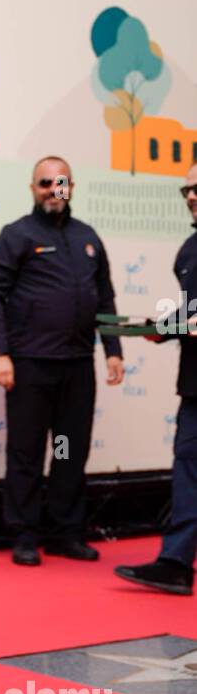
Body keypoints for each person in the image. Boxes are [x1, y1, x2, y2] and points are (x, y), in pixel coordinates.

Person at [0, 155, 124, 566]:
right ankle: (24, 533)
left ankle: (65, 531)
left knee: (66, 451)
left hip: (77, 367)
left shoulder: (87, 238)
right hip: (30, 366)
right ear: (33, 189)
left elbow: (106, 298)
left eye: (60, 183)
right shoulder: (17, 236)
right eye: (45, 183)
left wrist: (112, 350)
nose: (52, 190)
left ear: (72, 187)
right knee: (26, 452)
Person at [115, 163, 197, 595]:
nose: (190, 196)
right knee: (188, 470)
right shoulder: (188, 250)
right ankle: (175, 563)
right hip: (195, 387)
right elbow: (192, 313)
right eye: (185, 190)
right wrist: (161, 327)